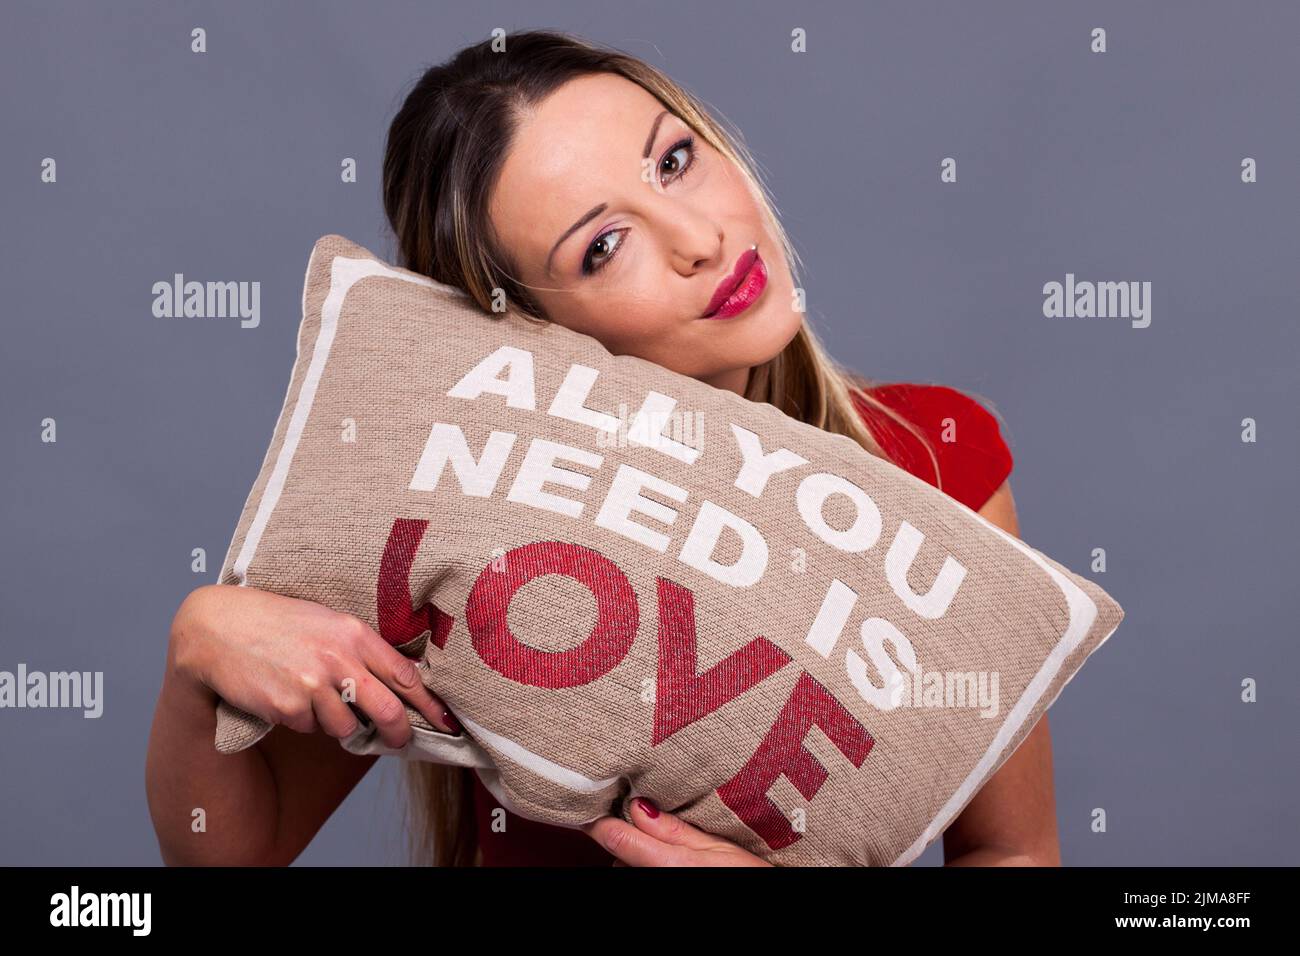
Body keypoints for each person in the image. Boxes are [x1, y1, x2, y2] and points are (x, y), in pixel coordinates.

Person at [145, 29, 1058, 868]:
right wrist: (199, 651)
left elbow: (1012, 855)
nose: (701, 239)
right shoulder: (448, 492)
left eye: (674, 160)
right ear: (526, 328)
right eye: (604, 246)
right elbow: (235, 854)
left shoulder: (933, 465)